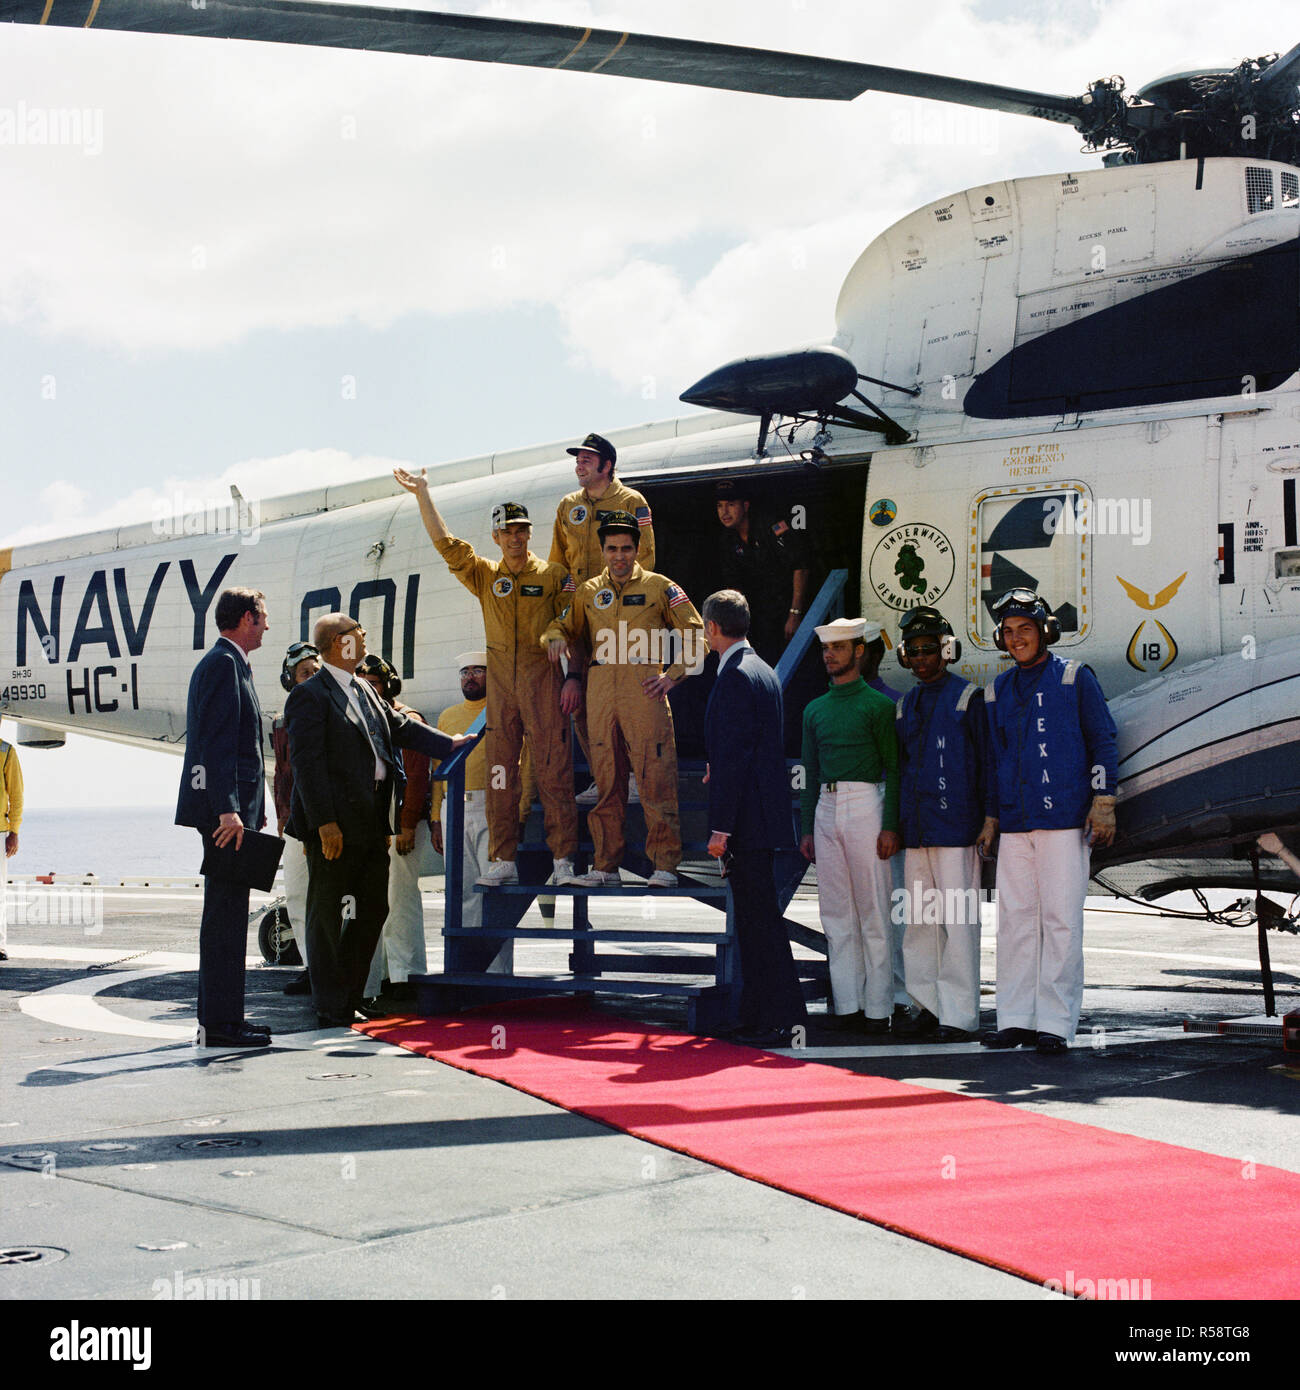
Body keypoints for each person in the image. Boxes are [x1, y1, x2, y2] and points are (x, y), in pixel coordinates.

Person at [394, 469, 580, 888]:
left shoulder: (552, 576)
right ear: (496, 537)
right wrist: (424, 493)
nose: (515, 538)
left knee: (553, 774)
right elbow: (447, 547)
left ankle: (564, 860)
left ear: (530, 534)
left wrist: (557, 631)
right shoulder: (486, 576)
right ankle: (503, 859)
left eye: (522, 530)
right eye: (507, 531)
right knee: (501, 774)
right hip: (503, 693)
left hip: (542, 685)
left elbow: (574, 611)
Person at [284, 612, 471, 1028]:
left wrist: (451, 744)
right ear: (337, 642)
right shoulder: (310, 696)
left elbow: (400, 726)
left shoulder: (363, 691)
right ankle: (329, 1002)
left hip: (371, 822)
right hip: (334, 827)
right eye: (357, 633)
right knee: (326, 913)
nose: (364, 638)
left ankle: (349, 994)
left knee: (374, 908)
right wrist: (325, 824)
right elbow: (307, 765)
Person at [977, 589, 1117, 1054]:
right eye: (1009, 632)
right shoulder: (997, 689)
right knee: (1015, 922)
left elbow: (1103, 738)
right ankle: (1016, 1018)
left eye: (1026, 630)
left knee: (1059, 921)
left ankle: (1055, 1023)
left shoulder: (1076, 678)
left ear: (1045, 632)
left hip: (1063, 822)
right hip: (1016, 823)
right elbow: (996, 759)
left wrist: (1104, 799)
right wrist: (992, 817)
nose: (1016, 639)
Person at [544, 509, 705, 888]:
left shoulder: (660, 587)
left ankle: (664, 865)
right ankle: (605, 867)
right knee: (606, 782)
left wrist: (672, 677)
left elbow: (698, 634)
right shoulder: (587, 592)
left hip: (644, 690)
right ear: (602, 551)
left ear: (637, 549)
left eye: (626, 548)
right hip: (600, 690)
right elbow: (562, 624)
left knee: (654, 778)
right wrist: (554, 636)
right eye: (612, 548)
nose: (619, 556)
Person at [702, 589, 807, 1046]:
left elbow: (734, 759)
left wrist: (721, 828)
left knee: (760, 925)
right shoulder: (762, 670)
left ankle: (783, 1016)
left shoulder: (734, 677)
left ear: (712, 628)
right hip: (764, 818)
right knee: (755, 923)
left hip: (747, 823)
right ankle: (759, 1013)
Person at [174, 587, 272, 1048]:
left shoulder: (231, 664)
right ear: (247, 618)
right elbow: (216, 744)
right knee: (225, 917)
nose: (267, 625)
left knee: (230, 915)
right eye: (263, 617)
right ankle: (220, 1024)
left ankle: (225, 1020)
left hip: (232, 811)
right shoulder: (222, 665)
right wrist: (228, 809)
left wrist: (253, 806)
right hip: (223, 814)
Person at [799, 617, 900, 1034]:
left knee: (874, 910)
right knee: (836, 912)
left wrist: (890, 824)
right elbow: (810, 770)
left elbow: (894, 769)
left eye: (839, 648)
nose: (830, 655)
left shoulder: (879, 706)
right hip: (826, 804)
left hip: (866, 802)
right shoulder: (814, 709)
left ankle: (879, 1008)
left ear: (859, 652)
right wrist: (806, 827)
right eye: (827, 648)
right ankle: (847, 1005)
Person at [891, 608, 989, 1043]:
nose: (922, 657)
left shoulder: (970, 699)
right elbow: (901, 768)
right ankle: (925, 1005)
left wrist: (990, 819)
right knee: (919, 923)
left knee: (958, 923)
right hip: (917, 832)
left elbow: (989, 765)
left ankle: (960, 1014)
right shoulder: (905, 704)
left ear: (948, 650)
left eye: (930, 648)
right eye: (913, 651)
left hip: (956, 830)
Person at [550, 431, 656, 798]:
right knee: (580, 701)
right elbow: (558, 563)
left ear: (606, 466)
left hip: (619, 617)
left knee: (625, 699)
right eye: (577, 459)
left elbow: (646, 559)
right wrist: (562, 612)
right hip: (581, 616)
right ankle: (603, 778)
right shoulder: (567, 506)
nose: (579, 465)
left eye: (586, 459)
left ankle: (634, 778)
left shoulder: (632, 501)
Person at [356, 653, 435, 1008]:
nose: (369, 690)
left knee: (401, 900)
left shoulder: (405, 719)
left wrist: (406, 822)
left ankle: (407, 976)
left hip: (400, 818)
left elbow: (417, 775)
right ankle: (387, 974)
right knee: (377, 899)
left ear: (388, 685)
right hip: (374, 818)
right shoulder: (364, 719)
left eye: (375, 684)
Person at [429, 650, 512, 973]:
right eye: (465, 672)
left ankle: (498, 973)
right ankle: (465, 969)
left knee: (495, 892)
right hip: (454, 807)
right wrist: (436, 816)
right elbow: (439, 769)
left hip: (492, 807)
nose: (470, 677)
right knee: (461, 892)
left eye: (478, 671)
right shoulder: (448, 716)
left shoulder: (504, 711)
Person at [714, 480, 812, 665]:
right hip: (761, 614)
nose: (724, 512)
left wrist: (795, 613)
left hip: (788, 605)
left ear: (746, 505)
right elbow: (733, 586)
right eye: (720, 506)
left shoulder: (770, 525)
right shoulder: (727, 539)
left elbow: (801, 566)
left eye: (731, 505)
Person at [271, 641, 321, 996]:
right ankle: (311, 966)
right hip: (294, 824)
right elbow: (282, 774)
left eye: (316, 672)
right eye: (304, 673)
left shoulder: (332, 712)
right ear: (290, 680)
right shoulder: (282, 722)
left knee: (327, 899)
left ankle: (332, 966)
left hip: (323, 821)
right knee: (298, 897)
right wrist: (280, 817)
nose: (311, 678)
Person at [0, 734, 23, 963]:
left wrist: (13, 831)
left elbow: (16, 794)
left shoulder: (6, 751)